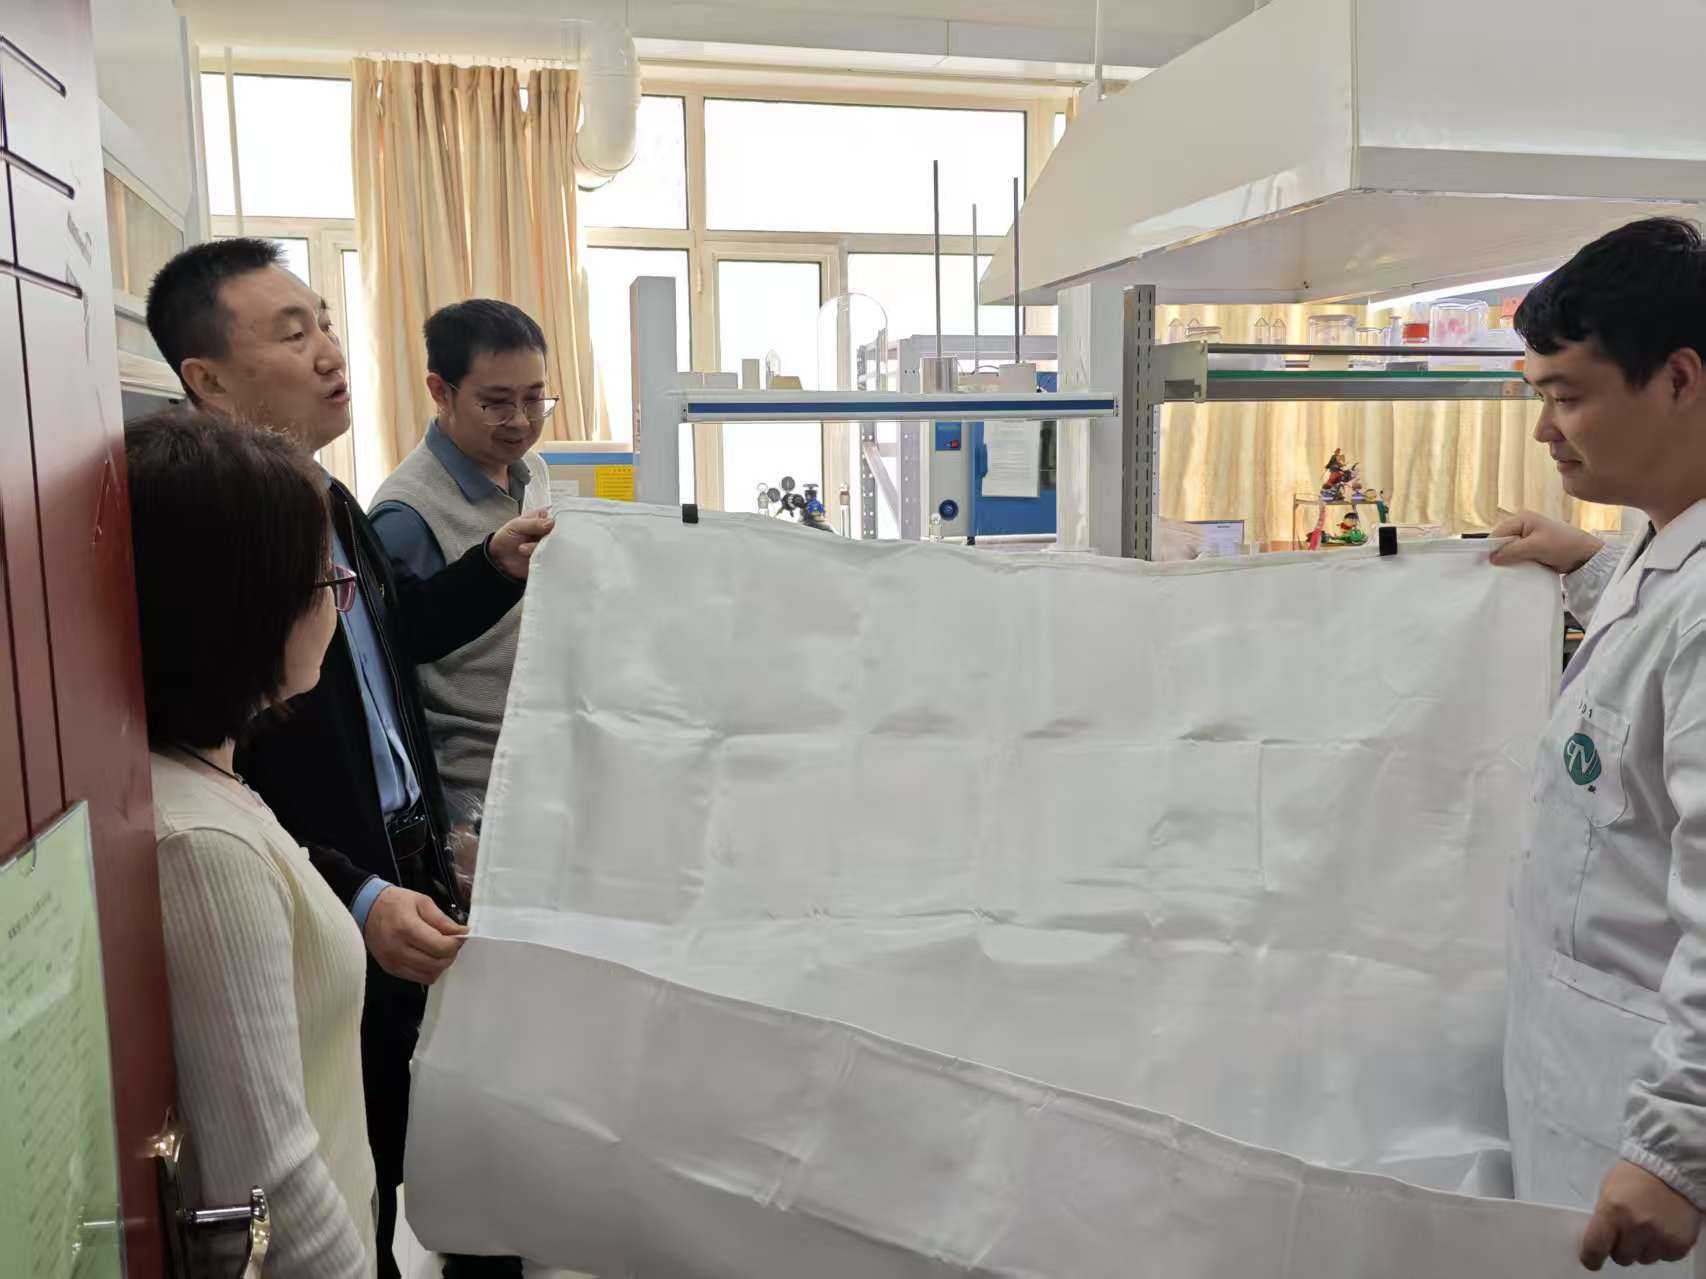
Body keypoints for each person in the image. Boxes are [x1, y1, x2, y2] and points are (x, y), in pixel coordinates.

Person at [145, 238, 552, 1279]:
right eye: (293, 334)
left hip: (407, 858)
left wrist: (492, 567)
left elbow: (391, 638)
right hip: (329, 882)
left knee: (442, 1142)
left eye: (325, 322)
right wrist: (358, 892)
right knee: (344, 1150)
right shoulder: (210, 538)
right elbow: (226, 765)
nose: (330, 351)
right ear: (207, 379)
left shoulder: (326, 500)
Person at [1493, 217, 1706, 1270]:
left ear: (1678, 379)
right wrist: (1587, 566)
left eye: (1567, 395)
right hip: (1589, 1079)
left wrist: (1677, 1145)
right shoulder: (1663, 539)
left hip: (1652, 1137)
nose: (1544, 429)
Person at [129, 410, 375, 1278]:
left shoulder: (209, 778)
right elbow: (272, 1190)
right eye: (326, 579)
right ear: (249, 610)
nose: (339, 599)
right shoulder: (203, 850)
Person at [370, 299, 555, 850]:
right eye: (495, 403)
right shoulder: (407, 516)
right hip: (475, 804)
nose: (520, 421)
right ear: (441, 391)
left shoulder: (531, 470)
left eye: (534, 398)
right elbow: (399, 669)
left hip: (544, 770)